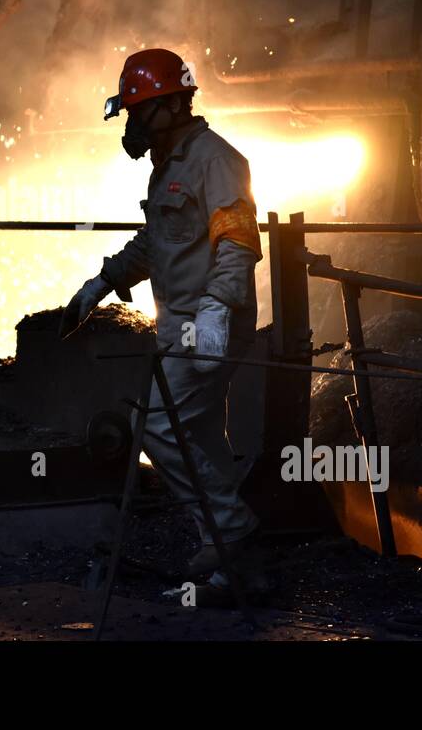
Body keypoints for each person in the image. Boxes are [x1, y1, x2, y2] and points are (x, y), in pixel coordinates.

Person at [61, 48, 269, 601]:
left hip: (207, 320)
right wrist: (103, 282)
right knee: (201, 434)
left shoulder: (216, 160)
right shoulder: (168, 166)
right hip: (177, 321)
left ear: (174, 104)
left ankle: (228, 527)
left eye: (139, 111)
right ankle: (231, 565)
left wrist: (217, 308)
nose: (131, 125)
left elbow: (238, 240)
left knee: (158, 426)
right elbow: (159, 240)